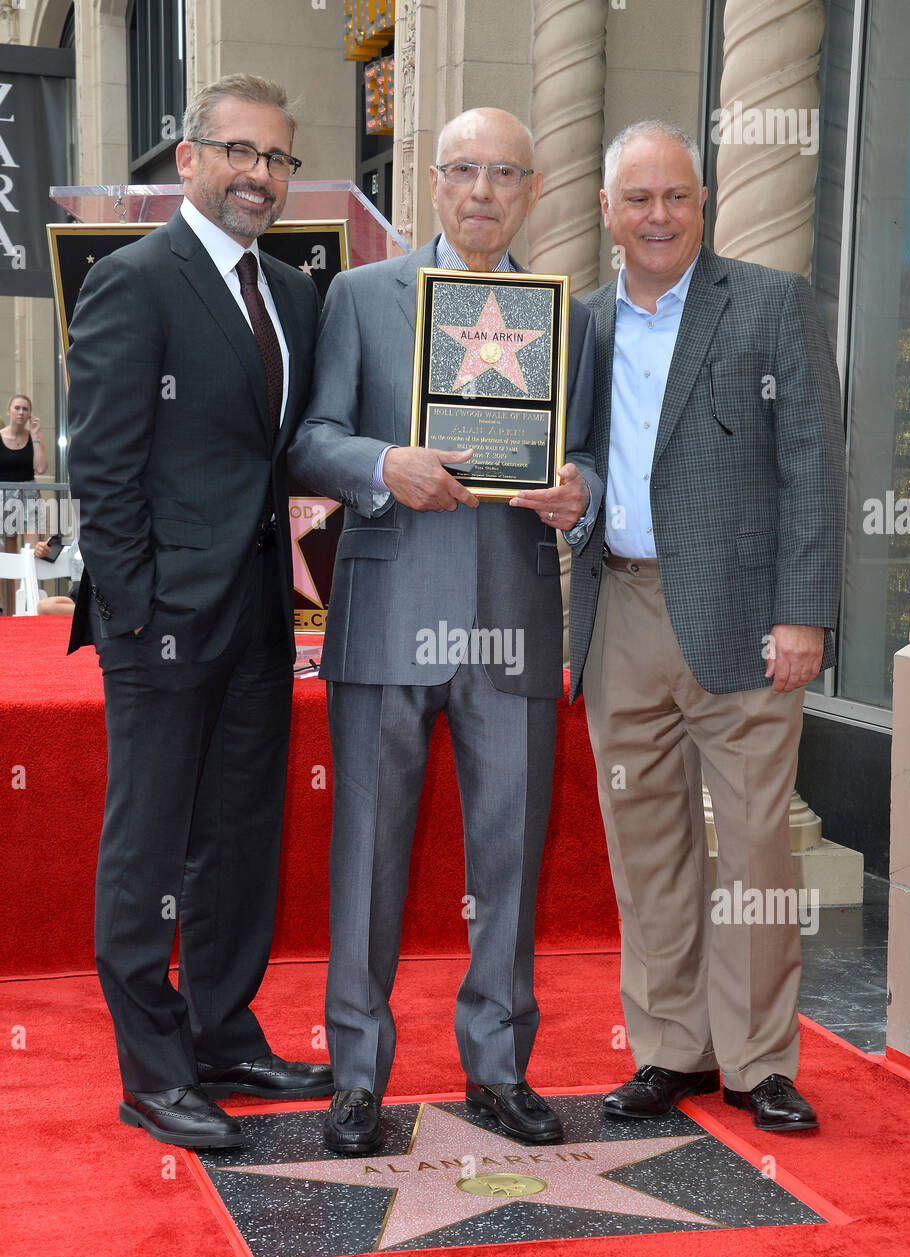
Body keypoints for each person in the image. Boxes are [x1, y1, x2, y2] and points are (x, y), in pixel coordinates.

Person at [289, 107, 600, 1155]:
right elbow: (311, 440)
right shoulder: (361, 297)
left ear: (531, 190)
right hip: (384, 616)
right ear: (432, 182)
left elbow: (587, 450)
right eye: (463, 170)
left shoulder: (564, 316)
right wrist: (385, 465)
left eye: (503, 173)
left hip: (512, 618)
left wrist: (576, 491)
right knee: (367, 853)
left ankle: (499, 1068)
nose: (481, 190)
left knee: (509, 856)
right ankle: (356, 1075)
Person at [66, 73, 330, 1150]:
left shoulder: (295, 293)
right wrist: (136, 614)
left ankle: (224, 1034)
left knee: (236, 839)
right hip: (160, 623)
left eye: (275, 159)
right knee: (149, 849)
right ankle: (153, 1071)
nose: (258, 176)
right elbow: (104, 470)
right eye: (238, 153)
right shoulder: (135, 281)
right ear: (188, 159)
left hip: (262, 618)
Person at [569, 121, 845, 1133]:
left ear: (702, 203)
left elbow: (812, 465)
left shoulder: (768, 303)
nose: (656, 216)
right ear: (606, 211)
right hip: (617, 610)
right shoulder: (582, 323)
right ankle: (669, 1049)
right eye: (637, 198)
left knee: (758, 854)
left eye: (674, 196)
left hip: (744, 624)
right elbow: (571, 458)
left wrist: (803, 612)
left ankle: (759, 1061)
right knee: (645, 850)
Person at [1, 395, 49, 612]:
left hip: (29, 497)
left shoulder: (34, 437)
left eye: (25, 409)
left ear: (30, 414)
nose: (21, 412)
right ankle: (10, 611)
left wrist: (36, 436)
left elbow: (40, 469)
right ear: (9, 411)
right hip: (5, 499)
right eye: (17, 408)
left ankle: (36, 608)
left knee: (33, 553)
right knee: (10, 561)